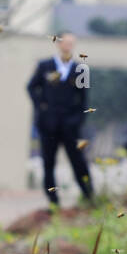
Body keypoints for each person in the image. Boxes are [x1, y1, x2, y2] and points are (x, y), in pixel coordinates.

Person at [26, 31, 93, 206]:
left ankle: (89, 195)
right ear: (58, 43)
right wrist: (41, 106)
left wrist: (78, 119)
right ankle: (53, 200)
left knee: (78, 161)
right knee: (48, 162)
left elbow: (84, 98)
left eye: (72, 43)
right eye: (65, 42)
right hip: (48, 124)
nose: (68, 46)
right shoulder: (45, 65)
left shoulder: (80, 69)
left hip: (70, 125)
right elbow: (31, 87)